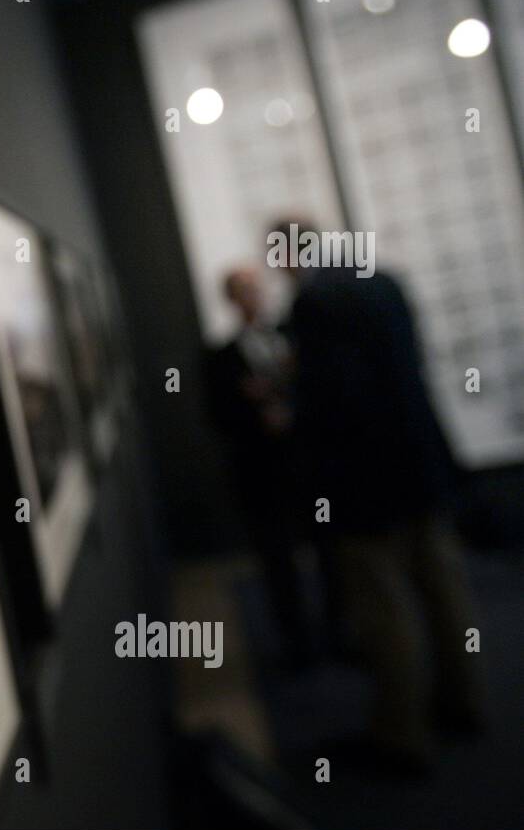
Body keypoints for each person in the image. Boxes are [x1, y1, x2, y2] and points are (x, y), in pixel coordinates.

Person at [271, 218, 483, 770]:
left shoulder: (313, 304)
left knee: (383, 605)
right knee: (443, 587)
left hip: (364, 483)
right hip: (421, 463)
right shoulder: (386, 281)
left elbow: (331, 402)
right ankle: (463, 703)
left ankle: (400, 735)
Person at [206, 265, 313, 667]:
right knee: (277, 561)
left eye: (255, 288)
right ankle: (296, 641)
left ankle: (341, 632)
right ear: (231, 300)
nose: (251, 297)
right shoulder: (219, 357)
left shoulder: (294, 337)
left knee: (332, 552)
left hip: (307, 466)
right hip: (261, 474)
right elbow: (216, 416)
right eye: (241, 291)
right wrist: (253, 409)